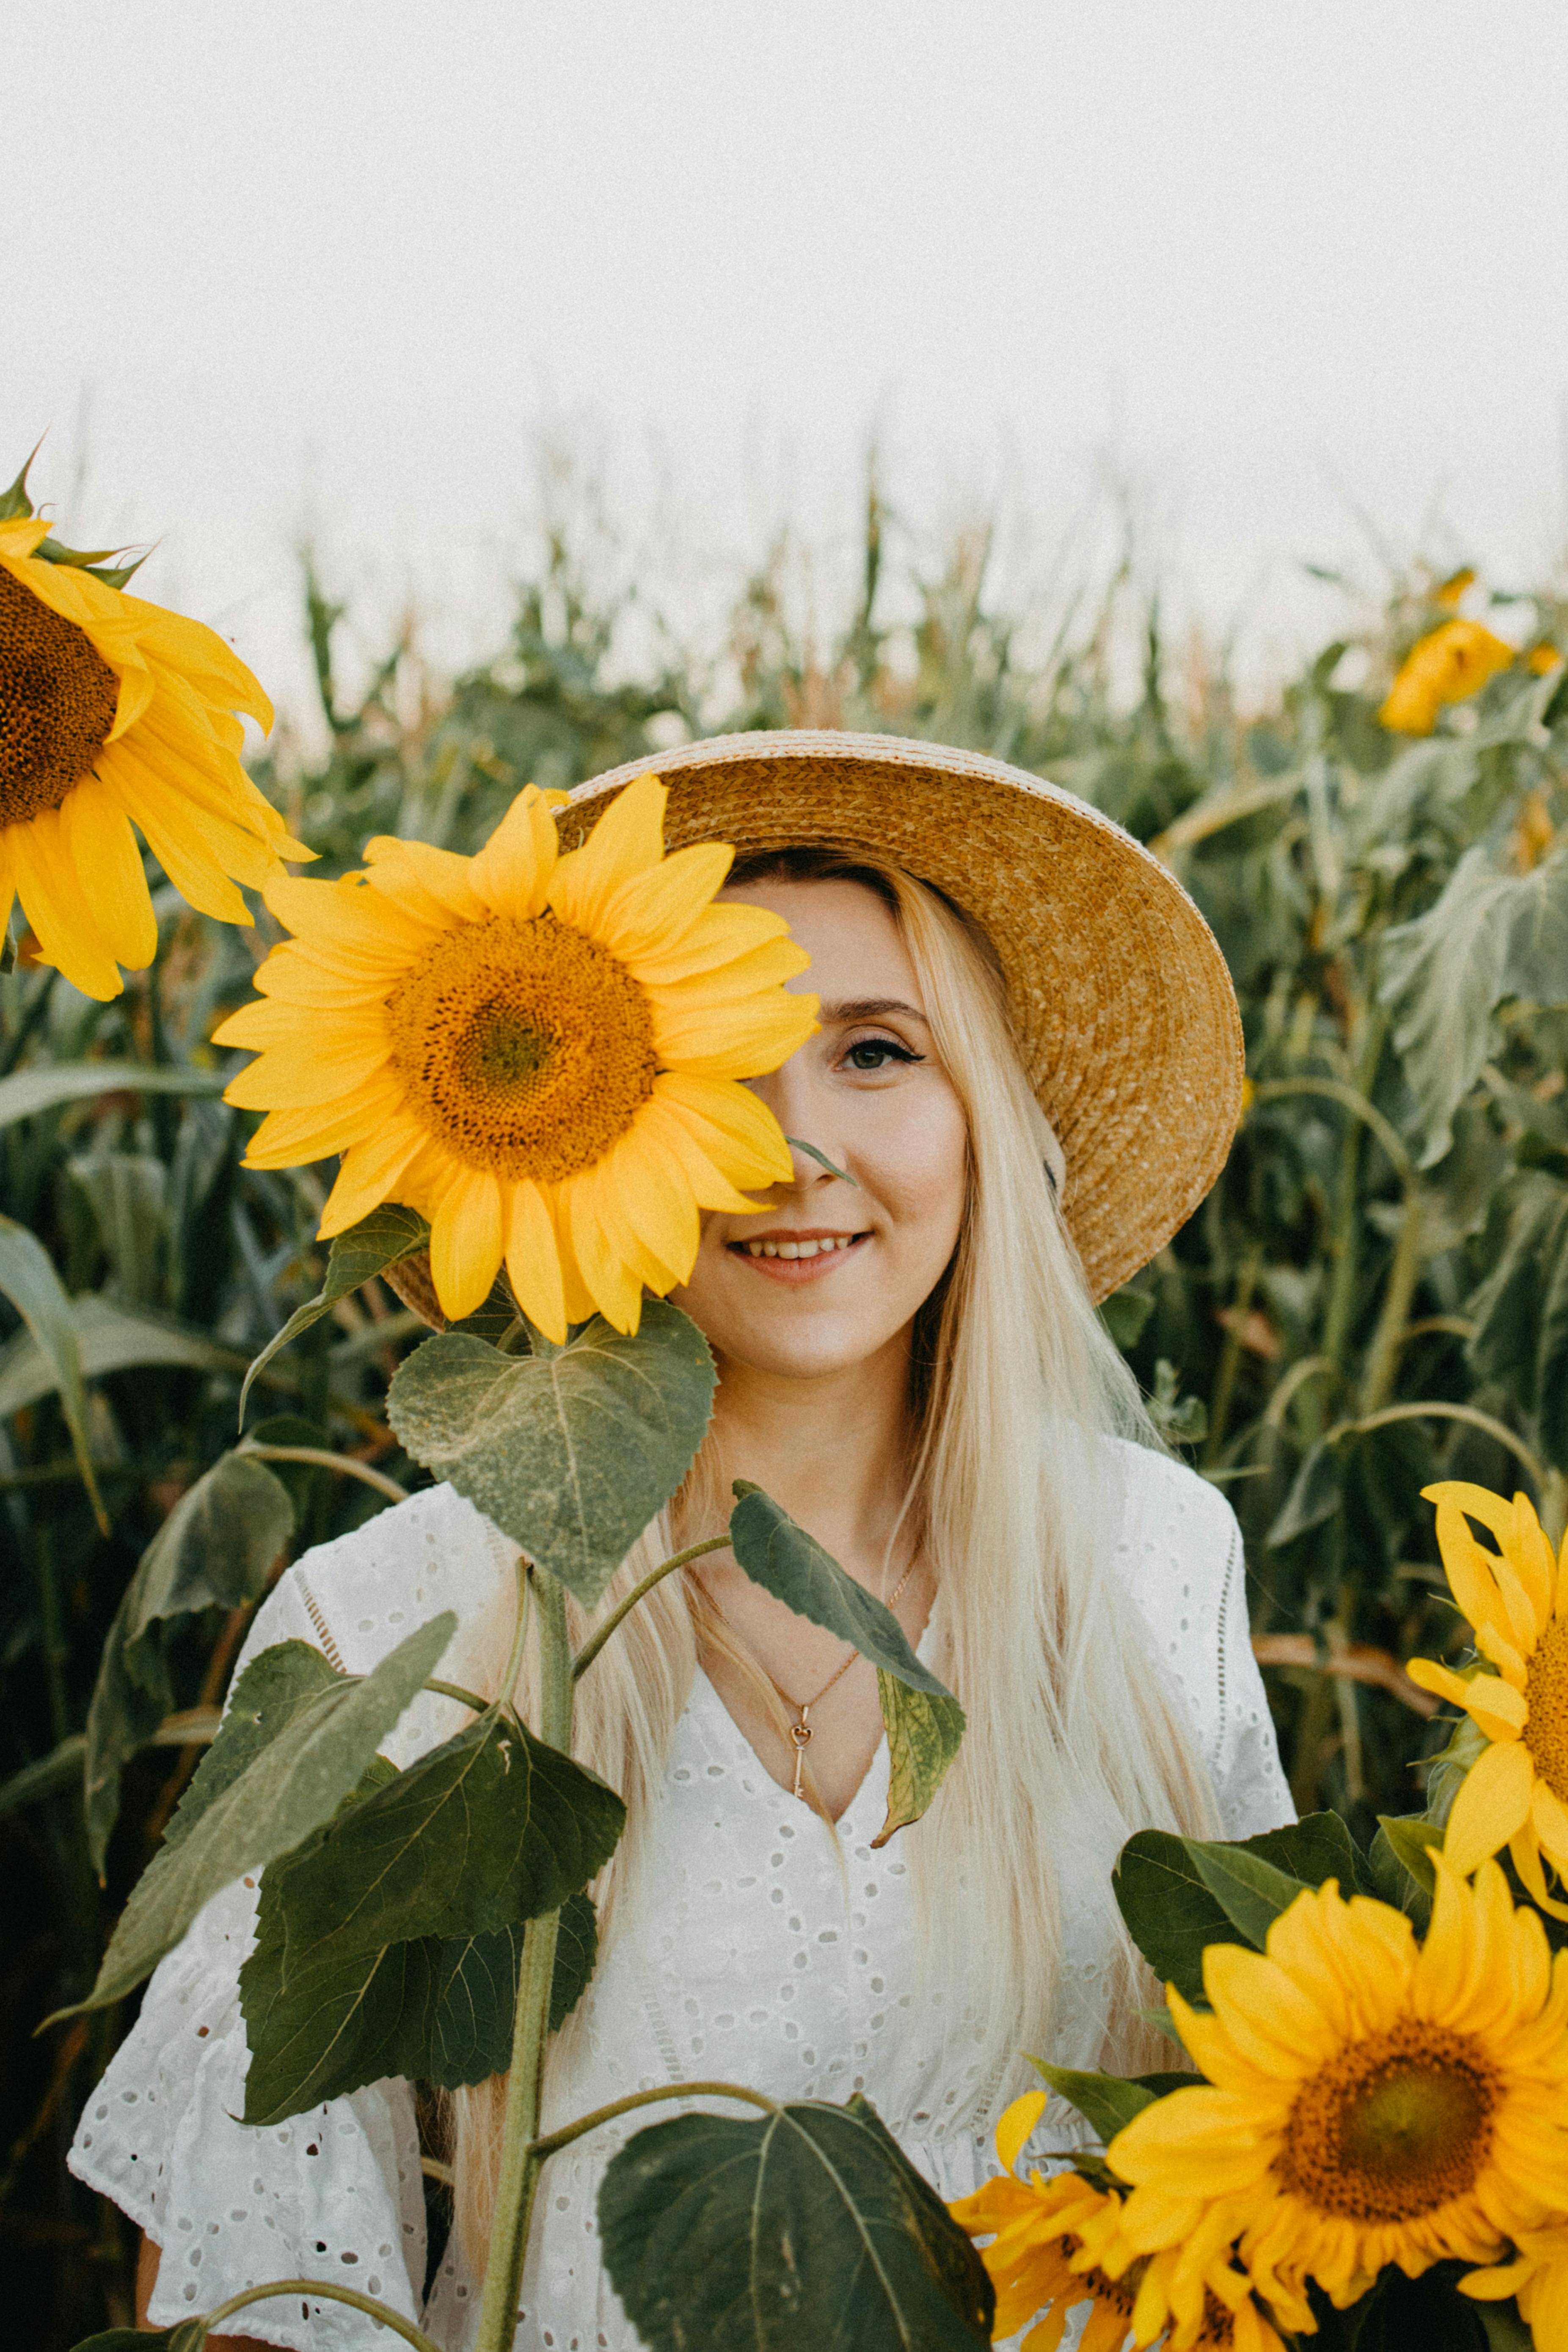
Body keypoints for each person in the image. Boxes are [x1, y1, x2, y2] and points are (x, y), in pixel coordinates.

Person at [75, 731, 1292, 2349]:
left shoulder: (1152, 1561)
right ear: (586, 1116)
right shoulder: (394, 1625)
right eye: (718, 1068)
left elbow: (1257, 2134)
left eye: (875, 1051)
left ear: (983, 1113)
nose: (791, 1148)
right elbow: (253, 2274)